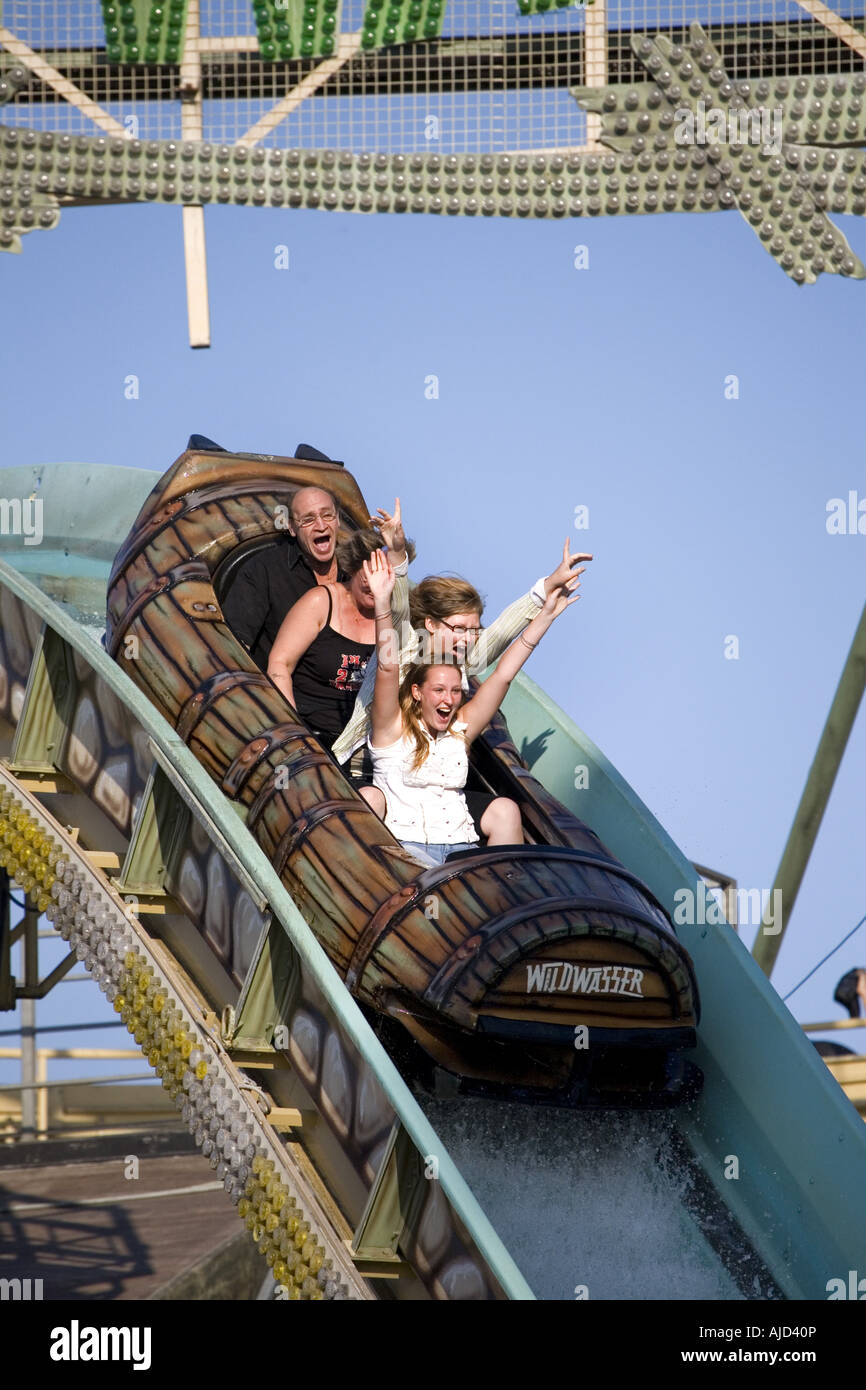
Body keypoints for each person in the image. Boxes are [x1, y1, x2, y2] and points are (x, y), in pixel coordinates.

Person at [331, 538, 592, 837]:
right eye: (460, 629)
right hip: (367, 766)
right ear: (431, 624)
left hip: (425, 778)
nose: (469, 639)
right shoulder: (404, 645)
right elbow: (398, 613)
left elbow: (503, 637)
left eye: (473, 630)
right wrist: (398, 560)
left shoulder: (460, 660)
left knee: (498, 807)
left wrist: (548, 588)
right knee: (374, 799)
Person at [266, 515, 411, 750]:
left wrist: (398, 549)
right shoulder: (319, 602)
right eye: (369, 572)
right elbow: (279, 664)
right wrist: (293, 729)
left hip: (364, 742)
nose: (374, 583)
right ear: (354, 568)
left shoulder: (395, 619)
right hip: (307, 730)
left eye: (383, 574)